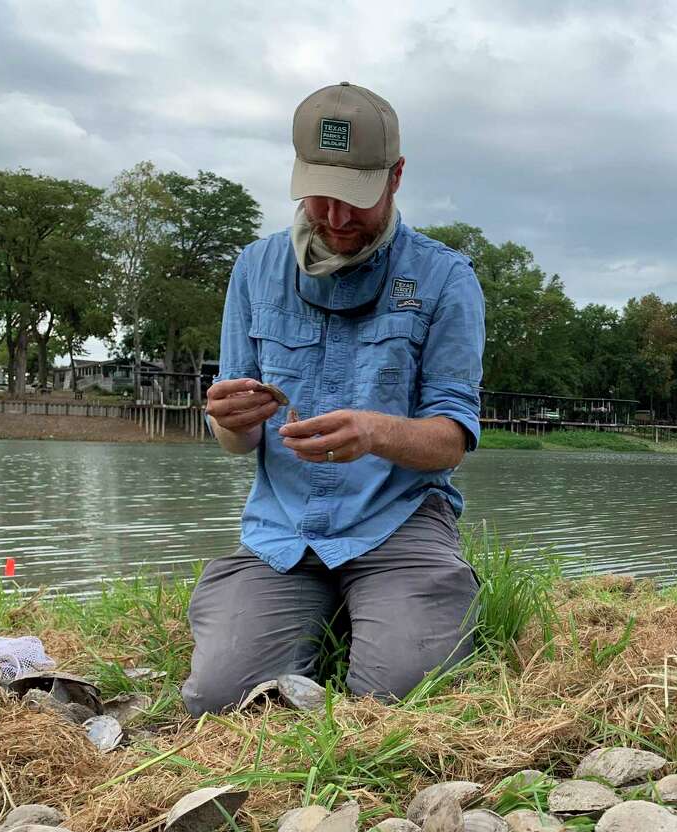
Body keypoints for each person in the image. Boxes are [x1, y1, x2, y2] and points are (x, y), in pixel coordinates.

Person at [182, 82, 486, 715]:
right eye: (322, 196)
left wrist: (376, 434)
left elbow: (451, 441)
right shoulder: (254, 269)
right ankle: (338, 613)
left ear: (396, 176)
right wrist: (230, 421)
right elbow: (236, 442)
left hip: (398, 521)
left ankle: (383, 609)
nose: (339, 218)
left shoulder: (446, 277)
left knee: (403, 697)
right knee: (219, 699)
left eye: (357, 200)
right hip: (283, 530)